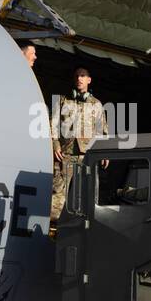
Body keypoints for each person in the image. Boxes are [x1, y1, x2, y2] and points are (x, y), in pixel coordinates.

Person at [49, 67, 109, 226]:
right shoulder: (63, 100)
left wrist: (103, 152)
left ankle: (78, 231)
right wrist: (55, 144)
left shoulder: (96, 104)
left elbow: (102, 131)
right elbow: (52, 125)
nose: (79, 79)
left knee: (83, 198)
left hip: (87, 157)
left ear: (89, 80)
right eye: (76, 76)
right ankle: (53, 230)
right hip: (65, 157)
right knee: (58, 198)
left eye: (83, 76)